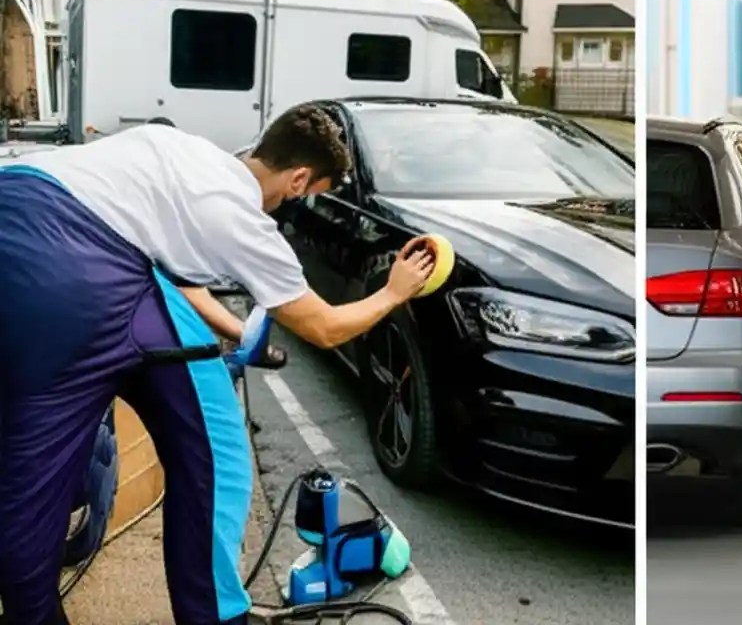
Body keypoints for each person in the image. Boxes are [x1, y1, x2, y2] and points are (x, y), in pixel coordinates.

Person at [0, 105, 437, 625]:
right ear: (299, 177)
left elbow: (169, 276)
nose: (298, 201)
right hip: (79, 275)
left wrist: (234, 333)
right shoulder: (244, 218)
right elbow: (324, 327)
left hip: (17, 213)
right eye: (308, 191)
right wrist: (394, 291)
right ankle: (216, 614)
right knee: (215, 449)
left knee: (29, 472)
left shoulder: (186, 153)